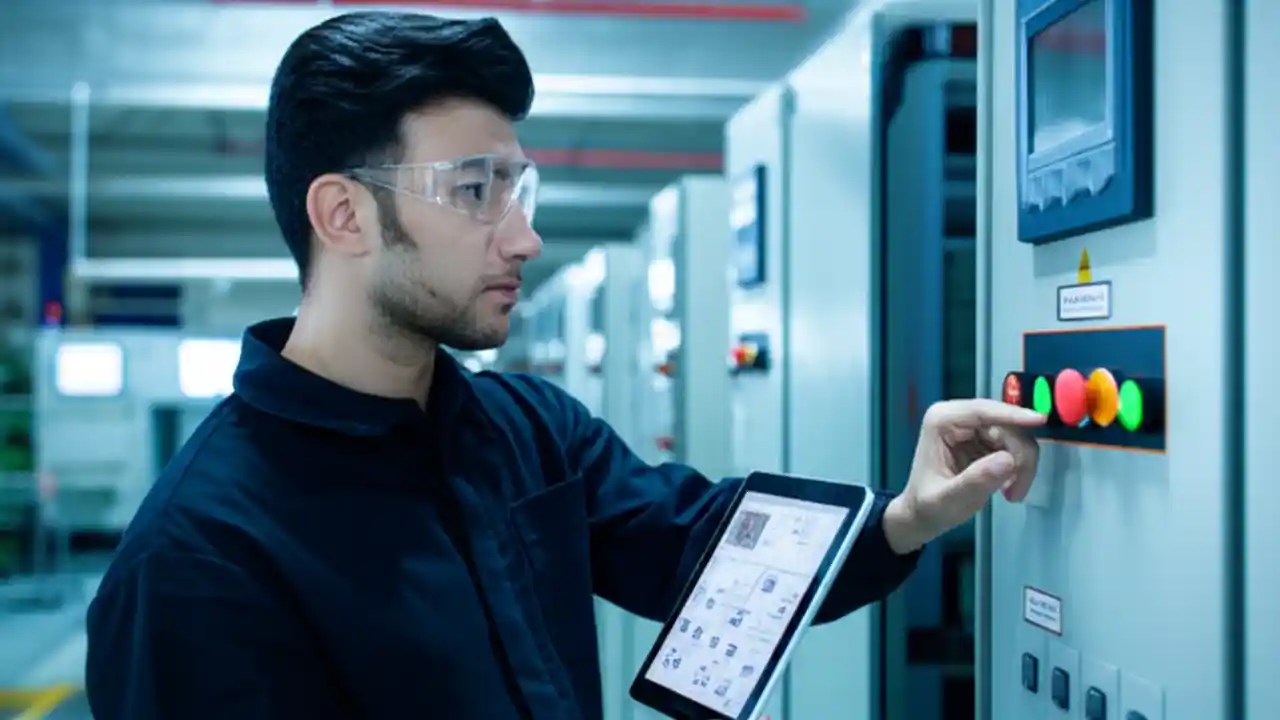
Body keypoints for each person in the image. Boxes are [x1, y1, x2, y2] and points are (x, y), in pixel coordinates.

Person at [83, 11, 1044, 719]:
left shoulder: (528, 432)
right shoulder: (200, 557)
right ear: (343, 215)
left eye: (520, 190)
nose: (525, 238)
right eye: (475, 191)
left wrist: (906, 518)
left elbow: (701, 550)